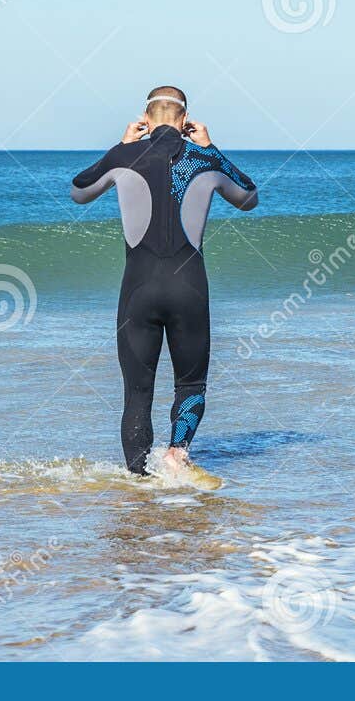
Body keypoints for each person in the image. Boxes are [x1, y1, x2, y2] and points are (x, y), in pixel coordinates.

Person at [70, 85, 258, 487]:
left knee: (137, 394)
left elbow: (79, 191)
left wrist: (119, 145)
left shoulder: (124, 155)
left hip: (138, 291)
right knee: (190, 384)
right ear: (186, 122)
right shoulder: (205, 159)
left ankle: (138, 488)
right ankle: (176, 456)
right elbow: (249, 197)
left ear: (147, 119)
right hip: (189, 289)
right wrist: (213, 148)